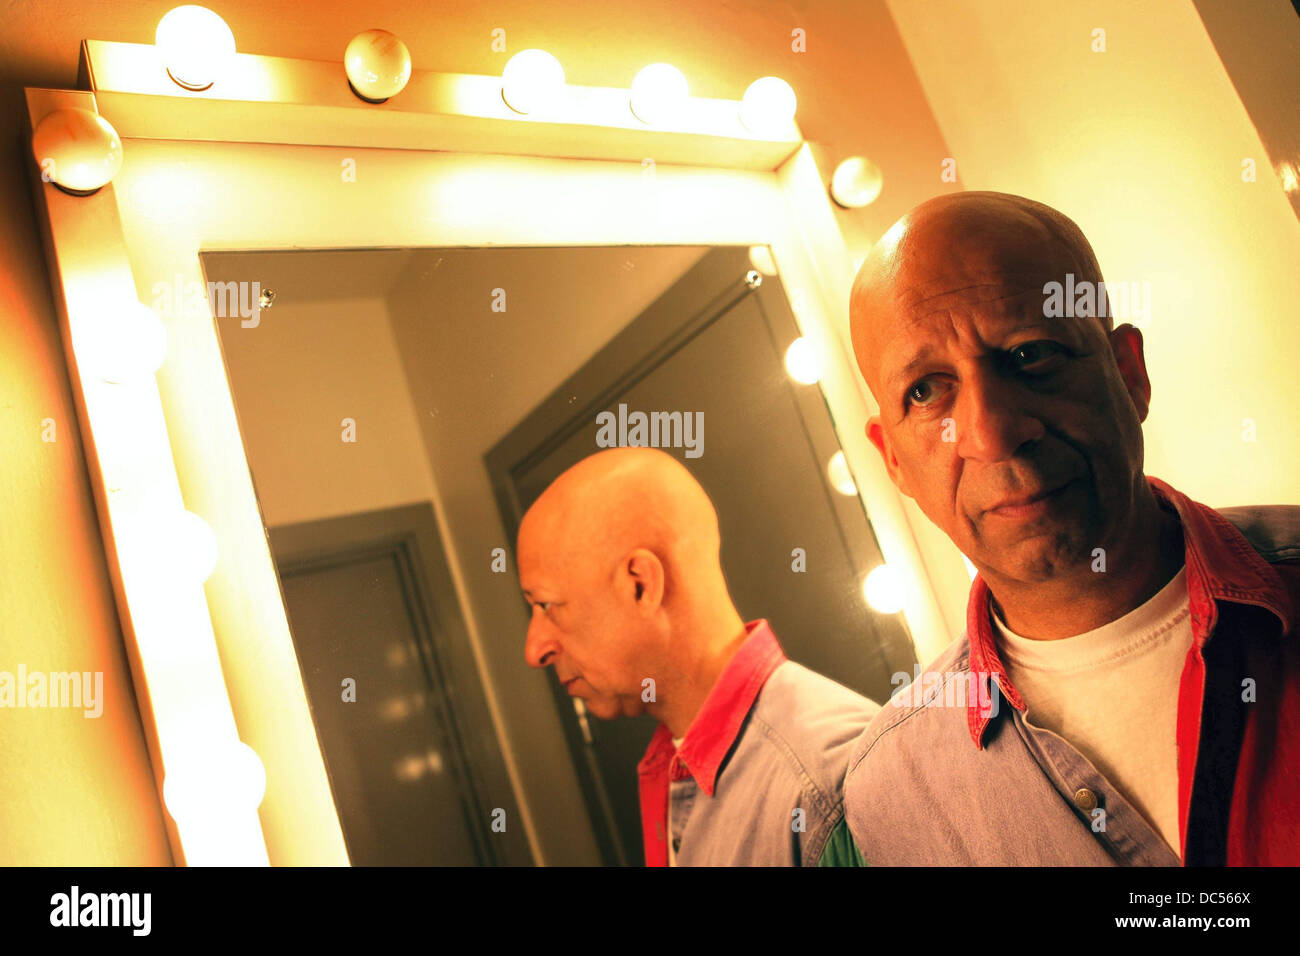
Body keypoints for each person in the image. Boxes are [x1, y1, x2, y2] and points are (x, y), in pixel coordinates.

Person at [842, 191, 1300, 865]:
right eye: (926, 390)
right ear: (894, 461)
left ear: (1130, 374)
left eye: (1031, 355)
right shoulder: (891, 796)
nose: (993, 434)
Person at [517, 447, 879, 866]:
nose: (534, 650)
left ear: (640, 584)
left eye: (545, 605)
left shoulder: (826, 790)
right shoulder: (675, 763)